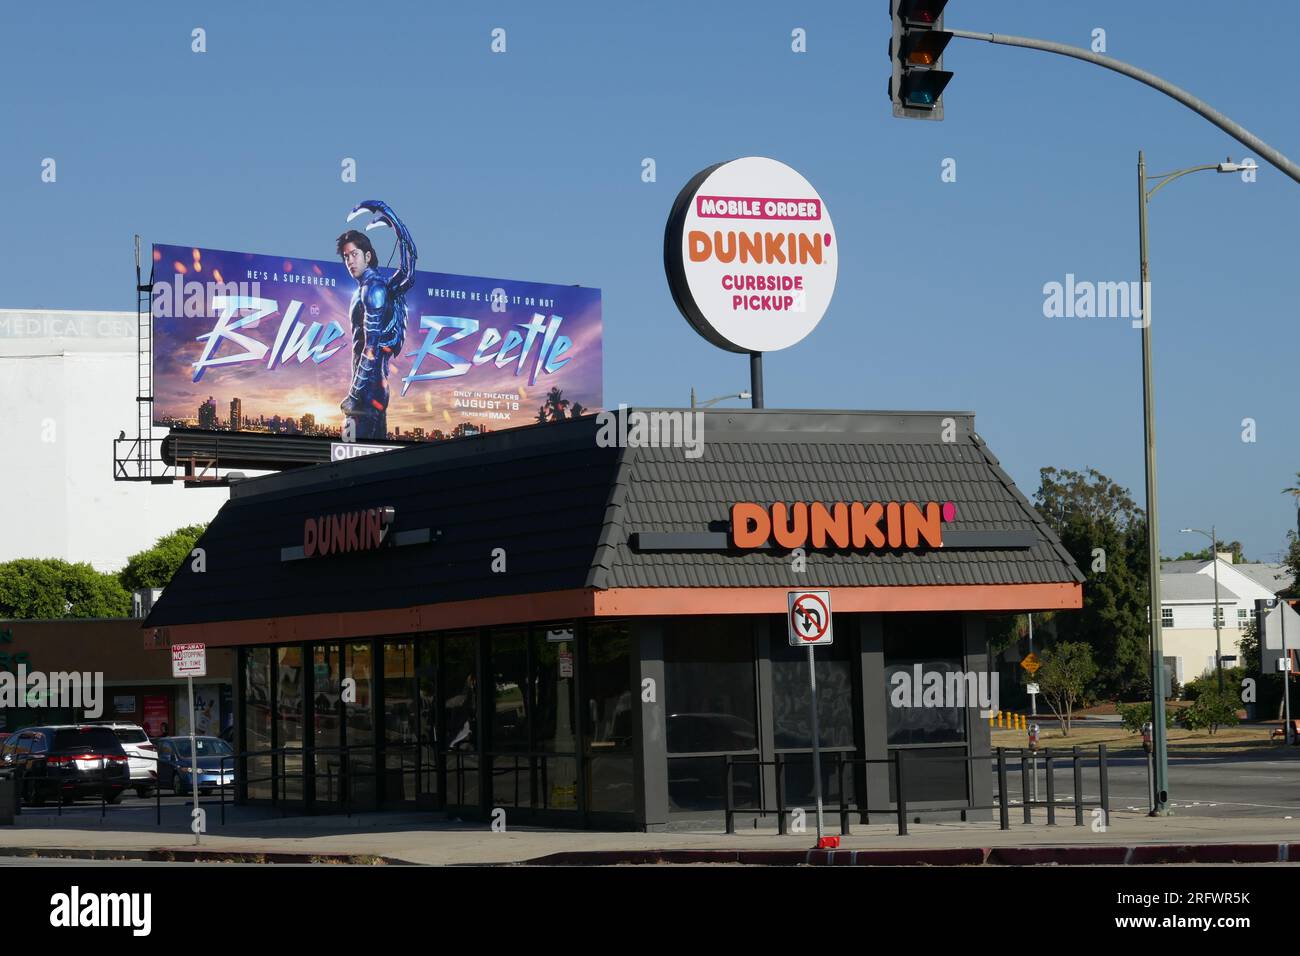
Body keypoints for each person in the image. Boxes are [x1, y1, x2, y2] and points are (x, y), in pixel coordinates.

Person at [336, 200, 418, 440]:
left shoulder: (372, 289)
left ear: (368, 256)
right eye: (345, 256)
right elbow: (407, 273)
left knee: (355, 463)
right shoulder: (377, 287)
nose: (349, 261)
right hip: (374, 389)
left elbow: (370, 348)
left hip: (366, 392)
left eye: (354, 254)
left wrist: (353, 394)